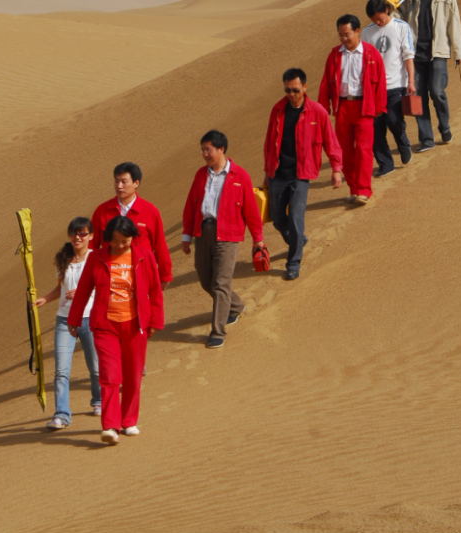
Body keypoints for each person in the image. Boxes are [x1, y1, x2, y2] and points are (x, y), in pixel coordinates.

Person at [68, 216, 164, 445]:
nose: (120, 245)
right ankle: (110, 426)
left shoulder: (144, 255)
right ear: (107, 239)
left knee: (133, 375)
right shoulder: (97, 257)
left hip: (136, 324)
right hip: (105, 325)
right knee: (110, 376)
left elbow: (155, 289)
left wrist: (155, 321)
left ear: (133, 238)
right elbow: (83, 290)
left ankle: (129, 421)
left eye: (125, 241)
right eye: (116, 241)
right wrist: (73, 319)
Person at [181, 130, 265, 350]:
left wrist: (258, 239)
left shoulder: (240, 176)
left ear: (221, 149)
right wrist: (187, 235)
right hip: (203, 232)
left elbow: (251, 210)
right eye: (203, 150)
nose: (204, 154)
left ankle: (218, 332)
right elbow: (191, 204)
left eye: (208, 149)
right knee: (205, 278)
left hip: (228, 235)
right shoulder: (201, 174)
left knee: (220, 283)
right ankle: (236, 305)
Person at [264, 68, 344, 281]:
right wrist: (267, 171)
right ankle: (298, 240)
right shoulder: (278, 110)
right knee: (278, 219)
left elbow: (331, 142)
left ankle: (293, 263)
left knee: (296, 220)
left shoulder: (317, 112)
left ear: (305, 87)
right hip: (277, 174)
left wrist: (336, 169)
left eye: (296, 90)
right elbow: (269, 143)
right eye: (288, 90)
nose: (292, 94)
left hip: (300, 175)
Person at [33, 217, 101, 430]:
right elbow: (61, 288)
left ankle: (98, 400)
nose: (77, 237)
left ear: (91, 236)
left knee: (96, 368)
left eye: (82, 233)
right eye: (74, 233)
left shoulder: (97, 258)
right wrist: (45, 298)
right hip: (64, 320)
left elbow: (105, 286)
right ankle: (62, 415)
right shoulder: (64, 259)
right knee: (61, 370)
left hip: (90, 318)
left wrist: (83, 292)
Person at [397, 0, 461, 152]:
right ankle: (426, 139)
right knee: (418, 97)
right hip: (415, 55)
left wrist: (458, 51)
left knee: (437, 92)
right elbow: (397, 15)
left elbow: (455, 22)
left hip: (438, 53)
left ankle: (444, 128)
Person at [318, 15, 387, 204]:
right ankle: (354, 189)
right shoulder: (334, 55)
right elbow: (325, 84)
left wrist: (380, 106)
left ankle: (364, 190)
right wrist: (323, 109)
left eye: (347, 34)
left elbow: (381, 81)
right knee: (344, 151)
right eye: (340, 35)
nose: (344, 39)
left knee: (364, 150)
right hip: (342, 108)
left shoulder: (371, 53)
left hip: (364, 108)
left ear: (357, 31)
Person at [90, 162, 173, 286]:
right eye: (116, 181)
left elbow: (160, 244)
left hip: (142, 275)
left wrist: (165, 275)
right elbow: (91, 246)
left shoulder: (150, 211)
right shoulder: (102, 211)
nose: (119, 186)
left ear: (136, 183)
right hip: (110, 276)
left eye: (124, 181)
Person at [362, 0, 416, 176]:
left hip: (396, 84)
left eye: (380, 18)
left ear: (387, 10)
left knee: (393, 120)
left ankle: (403, 142)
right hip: (373, 88)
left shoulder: (401, 26)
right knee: (375, 128)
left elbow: (408, 55)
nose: (378, 22)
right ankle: (386, 164)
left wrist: (411, 81)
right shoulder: (367, 33)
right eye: (374, 20)